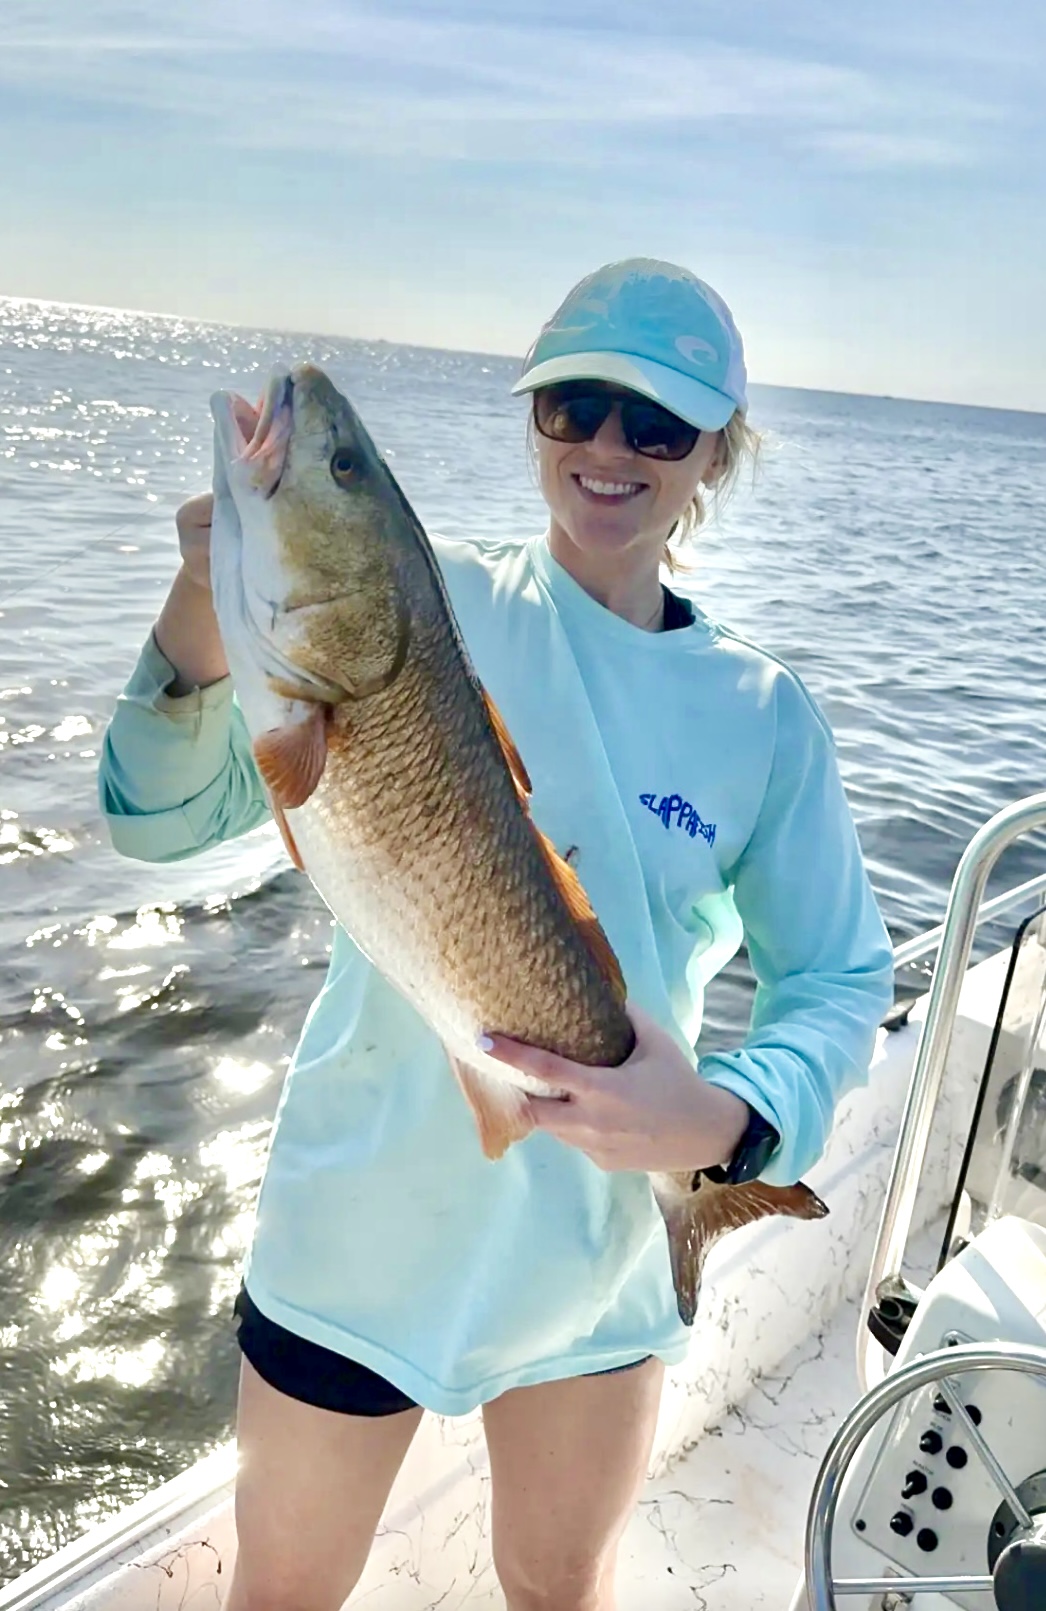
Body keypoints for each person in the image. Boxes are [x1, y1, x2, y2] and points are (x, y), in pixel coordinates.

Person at [98, 258, 894, 1611]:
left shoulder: (762, 716)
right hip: (360, 1220)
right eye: (574, 406)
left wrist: (725, 1123)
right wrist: (200, 611)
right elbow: (155, 821)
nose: (609, 447)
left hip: (593, 1253)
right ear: (532, 419)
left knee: (559, 1585)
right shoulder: (429, 601)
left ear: (716, 454)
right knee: (281, 1589)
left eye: (659, 424)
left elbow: (836, 978)